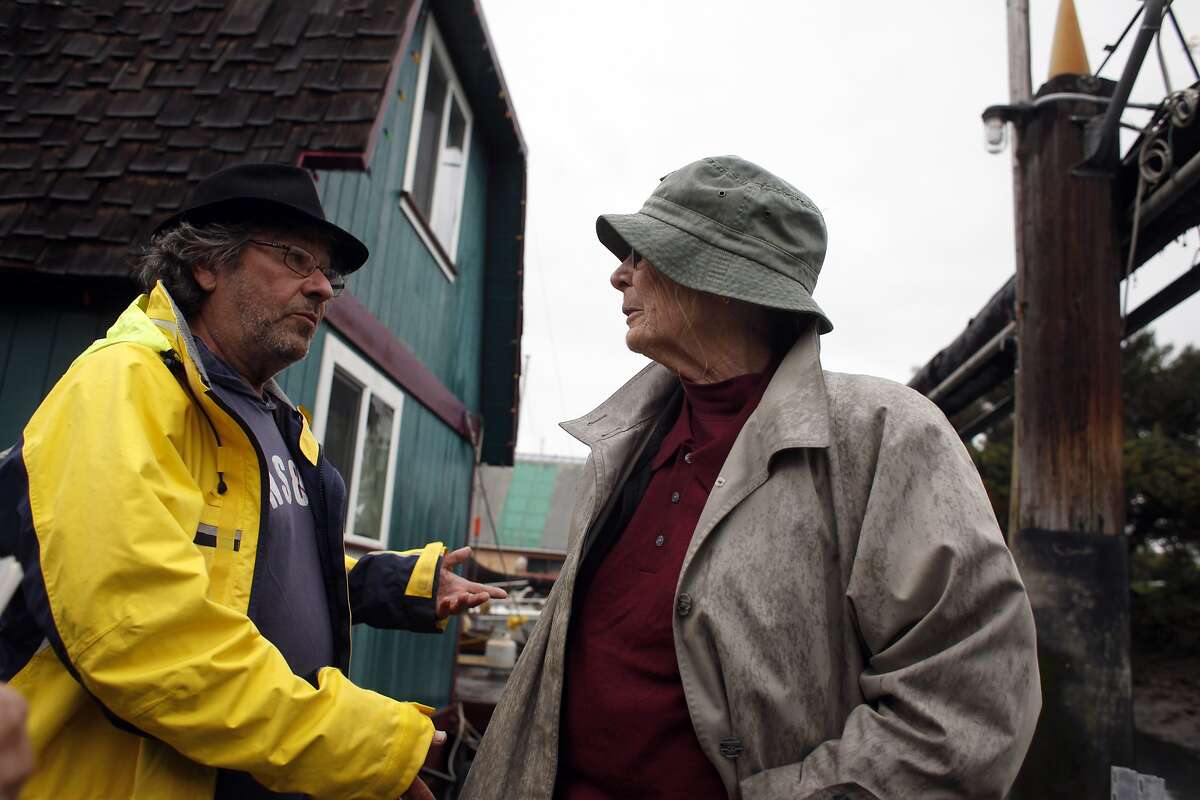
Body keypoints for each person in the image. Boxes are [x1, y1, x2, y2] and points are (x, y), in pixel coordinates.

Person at [462, 156, 1040, 800]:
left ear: (723, 282)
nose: (619, 274)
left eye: (643, 255)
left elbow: (966, 713)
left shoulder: (886, 436)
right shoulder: (621, 446)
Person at [0, 163, 506, 800]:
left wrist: (395, 584)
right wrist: (365, 745)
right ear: (207, 264)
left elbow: (257, 566)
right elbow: (142, 636)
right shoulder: (121, 389)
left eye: (330, 275)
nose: (321, 289)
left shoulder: (277, 420)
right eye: (296, 259)